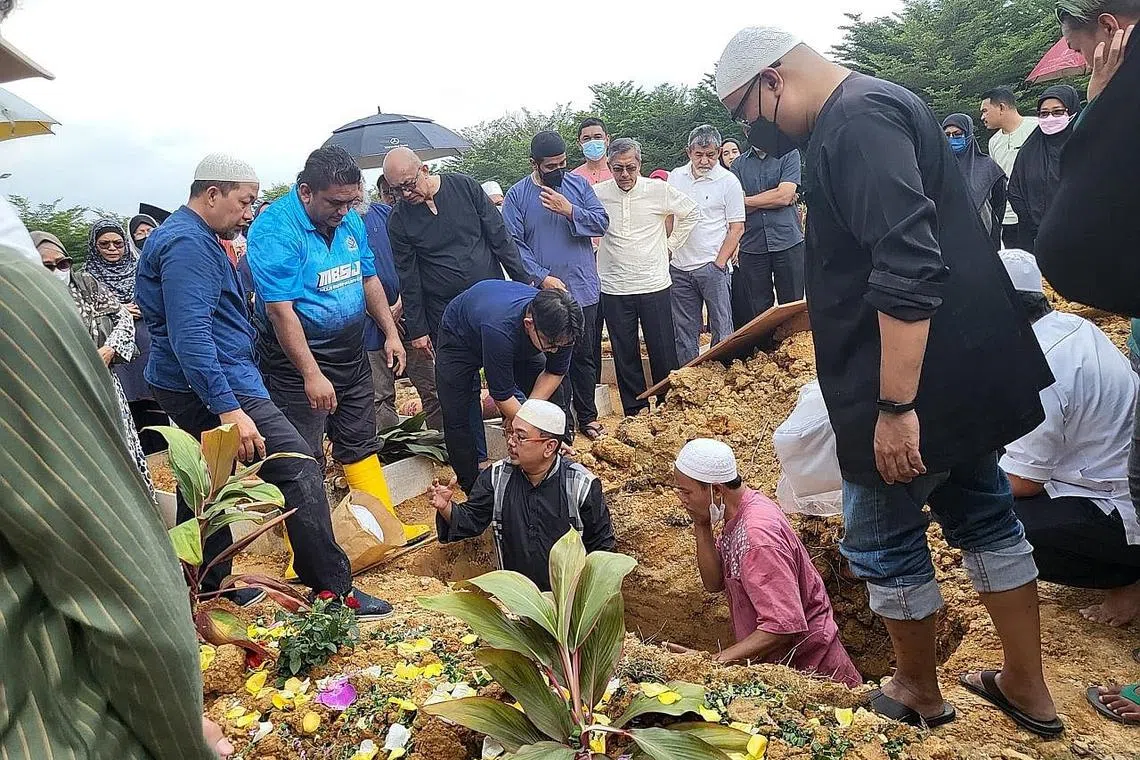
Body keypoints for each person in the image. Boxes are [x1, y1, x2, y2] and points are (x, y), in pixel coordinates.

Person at [716, 26, 1061, 735]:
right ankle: (1026, 687)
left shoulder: (855, 122)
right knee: (984, 514)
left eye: (750, 115)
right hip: (960, 367)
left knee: (881, 540)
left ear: (773, 79)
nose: (757, 136)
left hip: (910, 380)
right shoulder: (882, 101)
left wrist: (896, 405)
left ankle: (915, 690)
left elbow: (907, 265)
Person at [2, 233, 234, 760]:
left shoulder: (76, 291)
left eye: (59, 264)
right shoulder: (13, 300)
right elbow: (117, 577)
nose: (55, 271)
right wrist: (180, 739)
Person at [137, 152, 390, 619]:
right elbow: (190, 337)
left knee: (209, 482)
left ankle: (208, 587)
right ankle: (334, 592)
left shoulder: (197, 236)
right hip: (213, 382)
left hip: (208, 378)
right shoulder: (188, 246)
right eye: (244, 201)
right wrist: (230, 408)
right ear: (212, 194)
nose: (250, 212)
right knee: (297, 466)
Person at [246, 146, 429, 544]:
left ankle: (384, 529)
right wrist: (311, 374)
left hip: (350, 349)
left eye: (351, 201)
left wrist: (391, 333)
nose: (344, 211)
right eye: (335, 202)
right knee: (303, 453)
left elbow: (368, 279)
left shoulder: (349, 221)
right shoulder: (275, 230)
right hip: (297, 361)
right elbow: (281, 311)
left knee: (360, 440)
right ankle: (307, 552)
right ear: (306, 191)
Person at [995, 250, 1140, 625]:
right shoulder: (1072, 327)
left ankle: (1127, 578)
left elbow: (1024, 482)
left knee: (987, 520)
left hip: (1119, 511)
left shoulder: (1037, 367)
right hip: (1114, 483)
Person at [385, 147, 539, 470]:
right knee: (460, 386)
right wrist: (419, 330)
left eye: (409, 184)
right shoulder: (399, 220)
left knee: (515, 367)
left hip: (494, 303)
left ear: (424, 169)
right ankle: (477, 462)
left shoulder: (465, 187)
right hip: (448, 317)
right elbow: (408, 277)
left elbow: (499, 237)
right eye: (395, 190)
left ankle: (534, 441)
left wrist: (524, 283)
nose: (405, 194)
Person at [666, 439, 862, 687]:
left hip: (816, 677)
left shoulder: (758, 537)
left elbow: (782, 625)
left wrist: (713, 662)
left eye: (686, 491)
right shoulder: (736, 514)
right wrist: (701, 524)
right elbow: (714, 582)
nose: (681, 499)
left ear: (716, 490)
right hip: (785, 671)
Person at [428, 399, 614, 591]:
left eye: (520, 437)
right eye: (510, 432)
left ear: (549, 446)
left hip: (569, 606)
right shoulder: (497, 477)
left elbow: (601, 549)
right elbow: (471, 520)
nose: (511, 442)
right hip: (518, 600)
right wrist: (446, 508)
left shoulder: (581, 485)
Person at [503, 131, 610, 440]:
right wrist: (541, 276)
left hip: (582, 287)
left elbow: (601, 222)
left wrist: (570, 210)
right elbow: (513, 245)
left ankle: (588, 416)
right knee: (551, 359)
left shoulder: (578, 186)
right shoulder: (518, 196)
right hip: (544, 294)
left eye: (563, 163)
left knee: (584, 356)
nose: (558, 170)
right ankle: (559, 426)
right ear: (535, 164)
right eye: (551, 166)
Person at [32, 230, 154, 494]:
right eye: (47, 266)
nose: (57, 271)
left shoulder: (86, 286)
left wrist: (110, 349)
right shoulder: (25, 301)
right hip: (59, 394)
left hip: (104, 382)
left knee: (120, 449)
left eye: (63, 264)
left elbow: (121, 318)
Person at [435, 280, 581, 493]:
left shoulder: (564, 325)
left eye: (562, 346)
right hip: (461, 337)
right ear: (529, 324)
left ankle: (551, 468)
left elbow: (554, 372)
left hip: (512, 335)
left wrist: (535, 420)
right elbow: (501, 394)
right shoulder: (499, 328)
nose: (555, 351)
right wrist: (529, 424)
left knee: (552, 399)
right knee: (458, 413)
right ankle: (474, 489)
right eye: (550, 345)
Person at [595, 138, 699, 417]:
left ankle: (669, 406)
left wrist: (671, 244)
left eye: (631, 167)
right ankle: (635, 409)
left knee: (663, 348)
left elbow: (691, 213)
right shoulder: (597, 193)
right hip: (614, 285)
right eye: (618, 169)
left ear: (640, 164)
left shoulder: (658, 190)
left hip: (653, 282)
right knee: (624, 351)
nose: (625, 175)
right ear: (609, 166)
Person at [362, 174, 444, 433]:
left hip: (410, 318)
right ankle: (394, 453)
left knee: (433, 386)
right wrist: (384, 318)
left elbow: (414, 261)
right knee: (380, 395)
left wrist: (402, 304)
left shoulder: (386, 215)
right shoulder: (337, 226)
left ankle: (444, 441)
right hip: (369, 327)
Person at [84, 217, 171, 454]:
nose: (113, 249)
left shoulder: (142, 268)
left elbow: (162, 297)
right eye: (105, 244)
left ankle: (163, 460)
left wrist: (147, 306)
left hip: (148, 344)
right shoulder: (85, 279)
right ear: (94, 246)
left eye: (118, 243)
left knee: (157, 406)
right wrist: (119, 309)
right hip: (114, 352)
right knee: (126, 411)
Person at [668, 125, 745, 364]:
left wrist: (719, 264)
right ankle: (689, 379)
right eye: (699, 154)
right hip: (680, 267)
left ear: (719, 152)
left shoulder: (728, 181)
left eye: (710, 155)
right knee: (684, 332)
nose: (704, 160)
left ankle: (722, 377)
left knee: (722, 329)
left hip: (713, 266)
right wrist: (669, 252)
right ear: (688, 152)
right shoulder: (675, 177)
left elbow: (737, 227)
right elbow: (670, 217)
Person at [729, 126, 804, 329]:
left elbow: (786, 195)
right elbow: (735, 207)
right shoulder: (738, 165)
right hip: (752, 246)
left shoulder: (789, 154)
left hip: (788, 241)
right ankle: (764, 354)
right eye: (748, 130)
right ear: (745, 133)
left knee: (794, 305)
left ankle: (794, 352)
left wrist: (748, 200)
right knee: (758, 310)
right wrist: (774, 197)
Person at [1007, 85, 1082, 253]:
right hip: (1038, 240)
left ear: (1072, 112)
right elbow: (1015, 190)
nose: (1050, 118)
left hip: (1082, 238)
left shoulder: (1086, 147)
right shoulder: (1029, 151)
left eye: (1057, 112)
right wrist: (1036, 225)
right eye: (1044, 113)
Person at [980, 87, 1038, 250]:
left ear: (1001, 107)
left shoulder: (1036, 128)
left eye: (985, 111)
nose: (982, 117)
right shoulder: (994, 142)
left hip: (1038, 214)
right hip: (1008, 219)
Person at [941, 114, 1006, 251]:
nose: (951, 139)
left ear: (969, 135)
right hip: (947, 241)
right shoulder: (937, 166)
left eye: (957, 134)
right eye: (947, 135)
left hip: (985, 238)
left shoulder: (988, 167)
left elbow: (999, 204)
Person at [571, 117, 613, 186]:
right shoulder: (573, 178)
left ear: (607, 140)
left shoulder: (621, 171)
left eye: (598, 137)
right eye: (586, 138)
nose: (592, 141)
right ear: (579, 144)